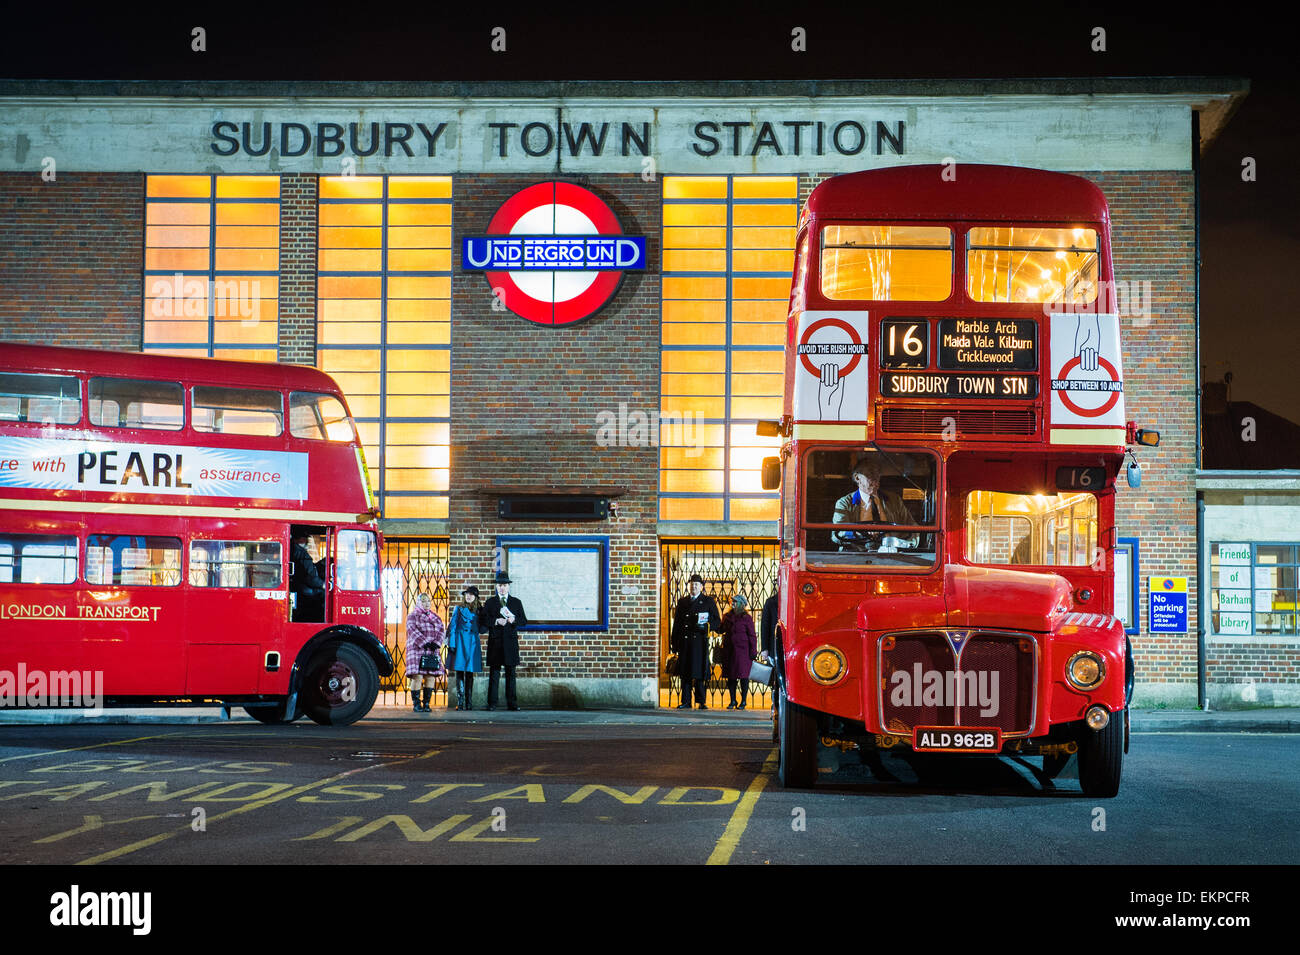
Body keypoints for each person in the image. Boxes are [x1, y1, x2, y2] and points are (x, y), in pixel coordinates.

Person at [831, 456, 918, 551]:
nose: (876, 478)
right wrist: (860, 532)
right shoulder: (844, 503)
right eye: (871, 473)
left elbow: (912, 526)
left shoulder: (894, 500)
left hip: (891, 554)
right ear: (857, 478)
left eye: (878, 473)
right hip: (856, 554)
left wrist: (905, 544)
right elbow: (839, 532)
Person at [670, 573, 721, 709]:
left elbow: (717, 621)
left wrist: (707, 625)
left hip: (700, 642)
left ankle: (701, 701)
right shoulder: (682, 602)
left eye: (696, 585)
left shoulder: (708, 601)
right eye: (692, 585)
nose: (694, 587)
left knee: (699, 672)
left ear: (701, 587)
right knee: (685, 673)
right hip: (685, 643)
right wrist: (674, 644)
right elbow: (677, 625)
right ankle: (686, 701)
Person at [480, 571, 528, 711]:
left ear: (508, 587)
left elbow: (524, 620)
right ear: (497, 587)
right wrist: (495, 621)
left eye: (505, 585)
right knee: (494, 674)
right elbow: (483, 619)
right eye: (500, 585)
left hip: (510, 643)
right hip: (495, 643)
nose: (502, 588)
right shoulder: (490, 602)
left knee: (511, 674)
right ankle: (492, 703)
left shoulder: (516, 602)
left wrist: (514, 620)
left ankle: (512, 703)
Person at [404, 592, 445, 713]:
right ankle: (416, 704)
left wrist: (436, 643)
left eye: (428, 601)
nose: (427, 603)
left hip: (432, 650)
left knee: (430, 676)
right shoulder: (413, 616)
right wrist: (424, 642)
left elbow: (441, 630)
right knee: (417, 676)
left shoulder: (435, 617)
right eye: (424, 601)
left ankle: (426, 703)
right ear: (419, 603)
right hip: (417, 649)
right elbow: (412, 630)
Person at [446, 585, 484, 710]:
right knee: (459, 672)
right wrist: (452, 644)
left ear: (476, 597)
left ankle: (469, 701)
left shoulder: (480, 611)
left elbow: (484, 625)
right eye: (467, 594)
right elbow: (452, 626)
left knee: (470, 672)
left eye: (471, 594)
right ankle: (460, 701)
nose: (468, 596)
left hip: (472, 643)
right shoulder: (459, 609)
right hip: (460, 642)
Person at [721, 594, 757, 710]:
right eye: (733, 602)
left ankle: (743, 701)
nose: (733, 604)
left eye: (736, 602)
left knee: (743, 677)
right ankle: (732, 700)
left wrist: (753, 652)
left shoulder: (746, 618)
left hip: (743, 651)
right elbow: (721, 629)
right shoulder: (727, 616)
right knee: (731, 677)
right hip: (730, 651)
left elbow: (752, 635)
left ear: (741, 604)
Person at [290, 533, 326, 622]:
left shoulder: (291, 549)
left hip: (295, 585)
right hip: (302, 588)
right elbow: (310, 577)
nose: (306, 541)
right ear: (299, 539)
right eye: (305, 538)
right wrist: (323, 584)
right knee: (323, 594)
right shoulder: (301, 553)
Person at [761, 591, 780, 741]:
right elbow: (765, 625)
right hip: (774, 649)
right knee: (775, 683)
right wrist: (764, 649)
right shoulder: (771, 602)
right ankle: (776, 709)